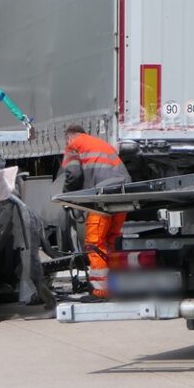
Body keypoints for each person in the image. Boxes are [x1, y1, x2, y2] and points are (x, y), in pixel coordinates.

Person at [60, 124, 131, 298]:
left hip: (103, 198)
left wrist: (66, 197)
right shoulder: (99, 143)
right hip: (124, 195)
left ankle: (101, 291)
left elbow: (74, 174)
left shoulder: (73, 146)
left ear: (69, 137)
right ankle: (118, 287)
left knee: (95, 243)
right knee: (112, 242)